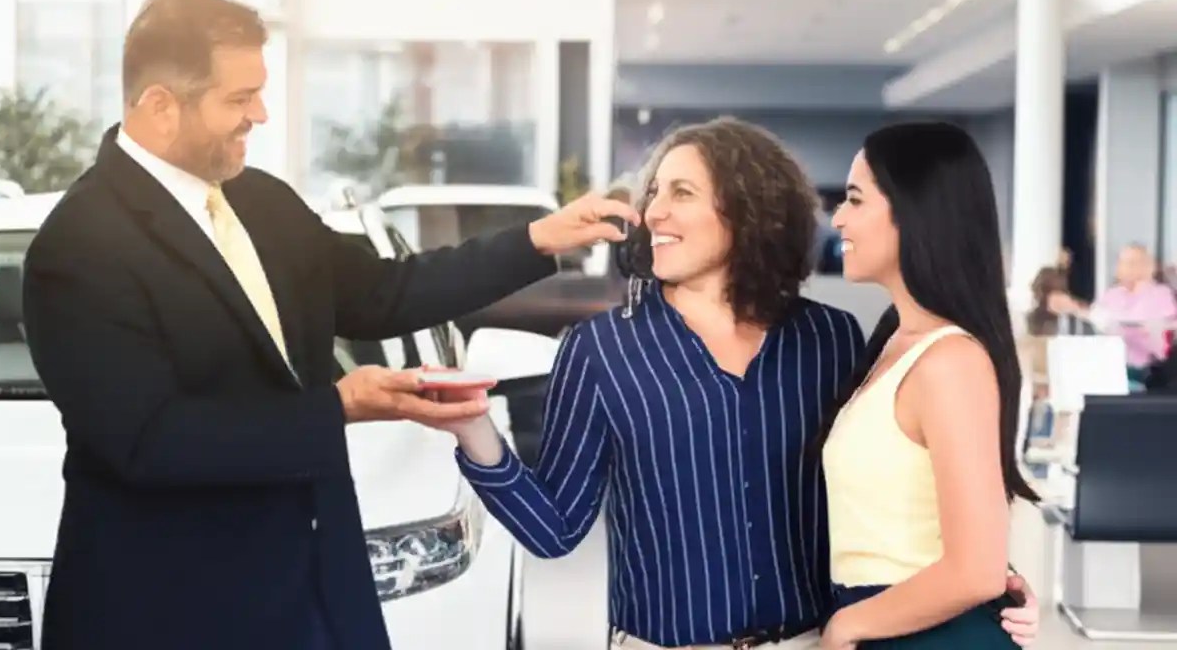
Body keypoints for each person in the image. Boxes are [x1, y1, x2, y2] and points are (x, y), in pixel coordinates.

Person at [20, 0, 637, 650]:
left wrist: (539, 239)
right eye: (238, 98)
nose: (259, 114)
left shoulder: (262, 201)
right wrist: (337, 406)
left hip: (318, 593)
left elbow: (383, 292)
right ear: (160, 106)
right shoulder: (77, 247)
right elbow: (151, 440)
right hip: (175, 612)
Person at [431, 117, 1039, 649]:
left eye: (682, 192)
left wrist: (985, 585)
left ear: (747, 211)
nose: (654, 212)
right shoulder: (602, 351)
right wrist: (473, 430)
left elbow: (881, 492)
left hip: (813, 642)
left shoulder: (830, 340)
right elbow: (554, 530)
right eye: (654, 193)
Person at [819, 122, 1040, 649]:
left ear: (914, 212)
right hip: (891, 621)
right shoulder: (894, 341)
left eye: (855, 199)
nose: (838, 217)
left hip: (920, 633)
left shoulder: (950, 360)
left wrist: (847, 625)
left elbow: (975, 572)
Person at [1050, 243, 1177, 389]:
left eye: (1132, 263)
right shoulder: (1112, 295)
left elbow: (1124, 323)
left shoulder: (1160, 295)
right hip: (1108, 364)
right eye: (1122, 263)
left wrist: (1079, 309)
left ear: (1148, 267)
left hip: (1148, 369)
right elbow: (1098, 317)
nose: (1124, 268)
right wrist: (1076, 310)